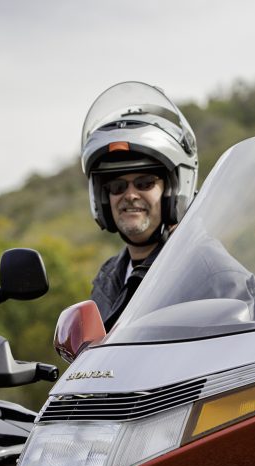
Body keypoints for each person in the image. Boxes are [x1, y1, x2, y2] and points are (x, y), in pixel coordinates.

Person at [81, 81, 200, 328]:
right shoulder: (108, 277)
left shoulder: (205, 271)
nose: (130, 195)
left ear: (173, 192)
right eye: (117, 186)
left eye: (145, 183)